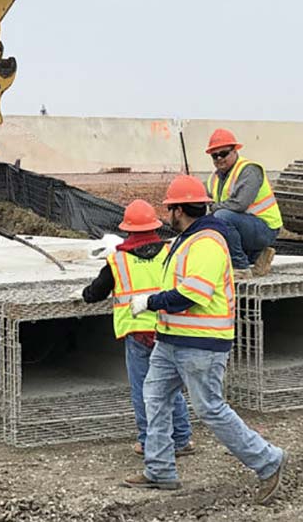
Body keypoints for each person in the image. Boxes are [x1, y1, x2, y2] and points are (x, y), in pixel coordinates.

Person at [122, 175, 288, 503]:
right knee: (154, 396)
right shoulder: (188, 240)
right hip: (171, 339)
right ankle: (159, 469)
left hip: (201, 343)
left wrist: (150, 302)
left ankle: (268, 460)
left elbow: (191, 294)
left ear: (180, 210)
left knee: (210, 408)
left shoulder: (207, 243)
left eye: (170, 209)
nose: (168, 215)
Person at [80, 200, 195, 457]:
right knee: (169, 386)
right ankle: (182, 439)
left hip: (137, 334)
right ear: (154, 226)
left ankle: (147, 441)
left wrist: (83, 294)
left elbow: (95, 293)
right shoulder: (169, 253)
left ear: (128, 229)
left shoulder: (118, 260)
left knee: (144, 391)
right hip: (169, 330)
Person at [202, 128, 281, 276]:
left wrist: (213, 208)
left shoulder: (249, 170)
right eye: (214, 156)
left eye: (223, 153)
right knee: (210, 222)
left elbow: (240, 204)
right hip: (245, 227)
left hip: (265, 227)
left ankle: (241, 267)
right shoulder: (214, 178)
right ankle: (258, 256)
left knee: (221, 217)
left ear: (235, 151)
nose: (219, 158)